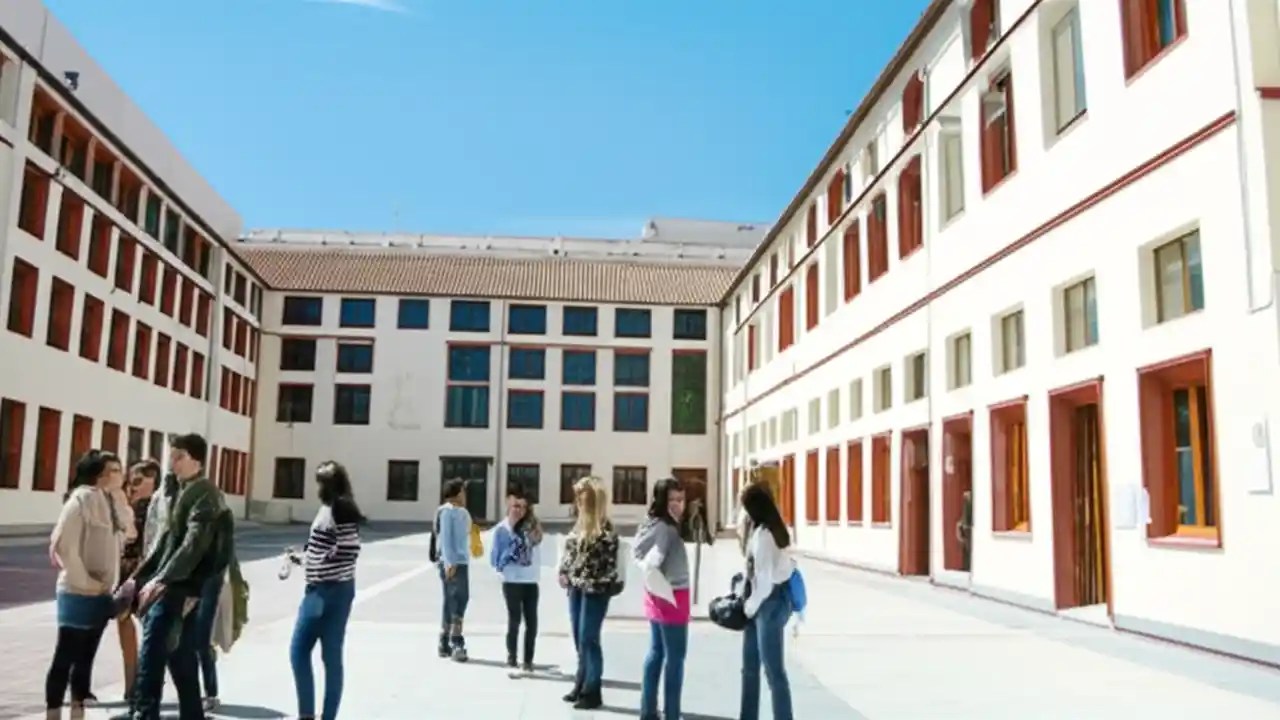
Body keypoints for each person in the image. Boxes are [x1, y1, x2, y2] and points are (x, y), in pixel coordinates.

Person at [119, 433, 233, 720]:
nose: (172, 463)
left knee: (153, 650)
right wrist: (137, 578)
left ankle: (144, 714)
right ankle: (191, 714)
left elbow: (192, 545)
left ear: (196, 460)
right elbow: (165, 543)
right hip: (177, 584)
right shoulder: (181, 491)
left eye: (179, 456)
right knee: (180, 656)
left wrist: (162, 580)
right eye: (172, 456)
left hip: (183, 586)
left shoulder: (205, 494)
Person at [46, 450, 127, 720]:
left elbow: (130, 530)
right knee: (65, 656)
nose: (120, 475)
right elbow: (64, 545)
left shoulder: (111, 500)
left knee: (85, 660)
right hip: (78, 592)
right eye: (114, 470)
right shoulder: (81, 499)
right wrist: (86, 582)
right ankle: (53, 713)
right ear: (100, 474)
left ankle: (77, 712)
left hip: (101, 594)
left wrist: (120, 498)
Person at [287, 461, 363, 720]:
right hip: (335, 588)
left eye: (321, 481)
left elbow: (350, 549)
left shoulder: (340, 507)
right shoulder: (331, 508)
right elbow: (325, 545)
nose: (317, 486)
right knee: (330, 655)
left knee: (300, 651)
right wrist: (304, 557)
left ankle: (309, 714)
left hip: (325, 590)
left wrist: (316, 562)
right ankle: (323, 715)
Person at [557, 476, 620, 711]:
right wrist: (564, 571)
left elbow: (604, 567)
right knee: (578, 637)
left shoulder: (606, 534)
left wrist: (578, 570)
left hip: (595, 591)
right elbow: (569, 557)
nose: (578, 505)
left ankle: (593, 690)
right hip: (576, 588)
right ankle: (581, 683)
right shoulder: (579, 529)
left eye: (582, 500)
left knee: (589, 639)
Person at [633, 477, 691, 720]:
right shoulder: (666, 529)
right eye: (672, 500)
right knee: (675, 659)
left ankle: (648, 711)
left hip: (655, 594)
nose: (678, 505)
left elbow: (638, 553)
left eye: (681, 499)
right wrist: (655, 569)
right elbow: (653, 561)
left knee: (656, 652)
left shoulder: (650, 523)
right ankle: (672, 714)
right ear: (661, 500)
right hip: (672, 596)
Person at [738, 483, 796, 720]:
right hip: (768, 600)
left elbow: (764, 581)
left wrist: (749, 607)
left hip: (765, 603)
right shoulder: (771, 528)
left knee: (773, 672)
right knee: (750, 667)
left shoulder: (764, 536)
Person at [116, 460, 161, 702]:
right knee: (125, 625)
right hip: (125, 572)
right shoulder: (125, 503)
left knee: (149, 631)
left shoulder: (156, 506)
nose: (134, 484)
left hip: (145, 573)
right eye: (132, 479)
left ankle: (143, 683)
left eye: (140, 479)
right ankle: (131, 683)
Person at [489, 488, 543, 674]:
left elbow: (538, 548)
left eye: (523, 507)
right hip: (511, 581)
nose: (519, 510)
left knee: (532, 622)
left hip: (531, 580)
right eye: (515, 506)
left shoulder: (532, 527)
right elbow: (495, 559)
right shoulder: (502, 530)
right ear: (508, 505)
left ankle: (528, 660)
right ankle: (512, 657)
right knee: (514, 620)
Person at [435, 478, 472, 662]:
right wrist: (449, 563)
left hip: (461, 561)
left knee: (457, 599)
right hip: (452, 563)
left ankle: (445, 638)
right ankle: (455, 640)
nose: (465, 495)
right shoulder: (447, 512)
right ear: (457, 494)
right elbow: (446, 539)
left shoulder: (461, 512)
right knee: (455, 600)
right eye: (463, 492)